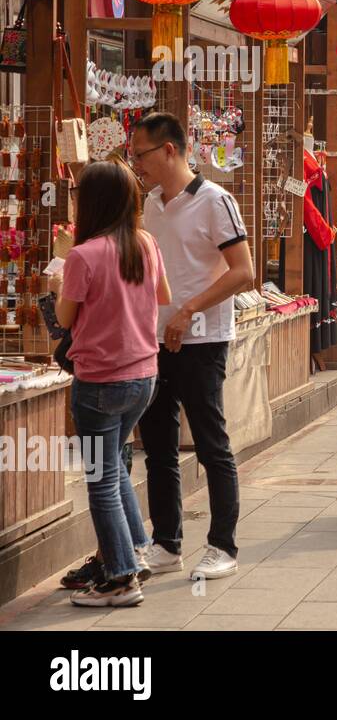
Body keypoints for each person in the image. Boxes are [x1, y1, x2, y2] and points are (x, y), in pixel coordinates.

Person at [130, 113, 255, 581]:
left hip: (203, 341)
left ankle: (223, 545)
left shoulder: (214, 200)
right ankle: (167, 543)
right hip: (153, 340)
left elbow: (244, 271)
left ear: (169, 150)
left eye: (140, 154)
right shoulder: (151, 203)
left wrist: (188, 310)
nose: (136, 164)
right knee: (157, 445)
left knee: (210, 443)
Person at [52, 162, 171, 607]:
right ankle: (135, 550)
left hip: (100, 382)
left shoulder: (84, 255)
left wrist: (65, 287)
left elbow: (65, 318)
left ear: (90, 202)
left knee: (101, 478)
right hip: (144, 376)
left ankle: (120, 580)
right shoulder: (147, 243)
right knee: (116, 467)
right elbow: (162, 296)